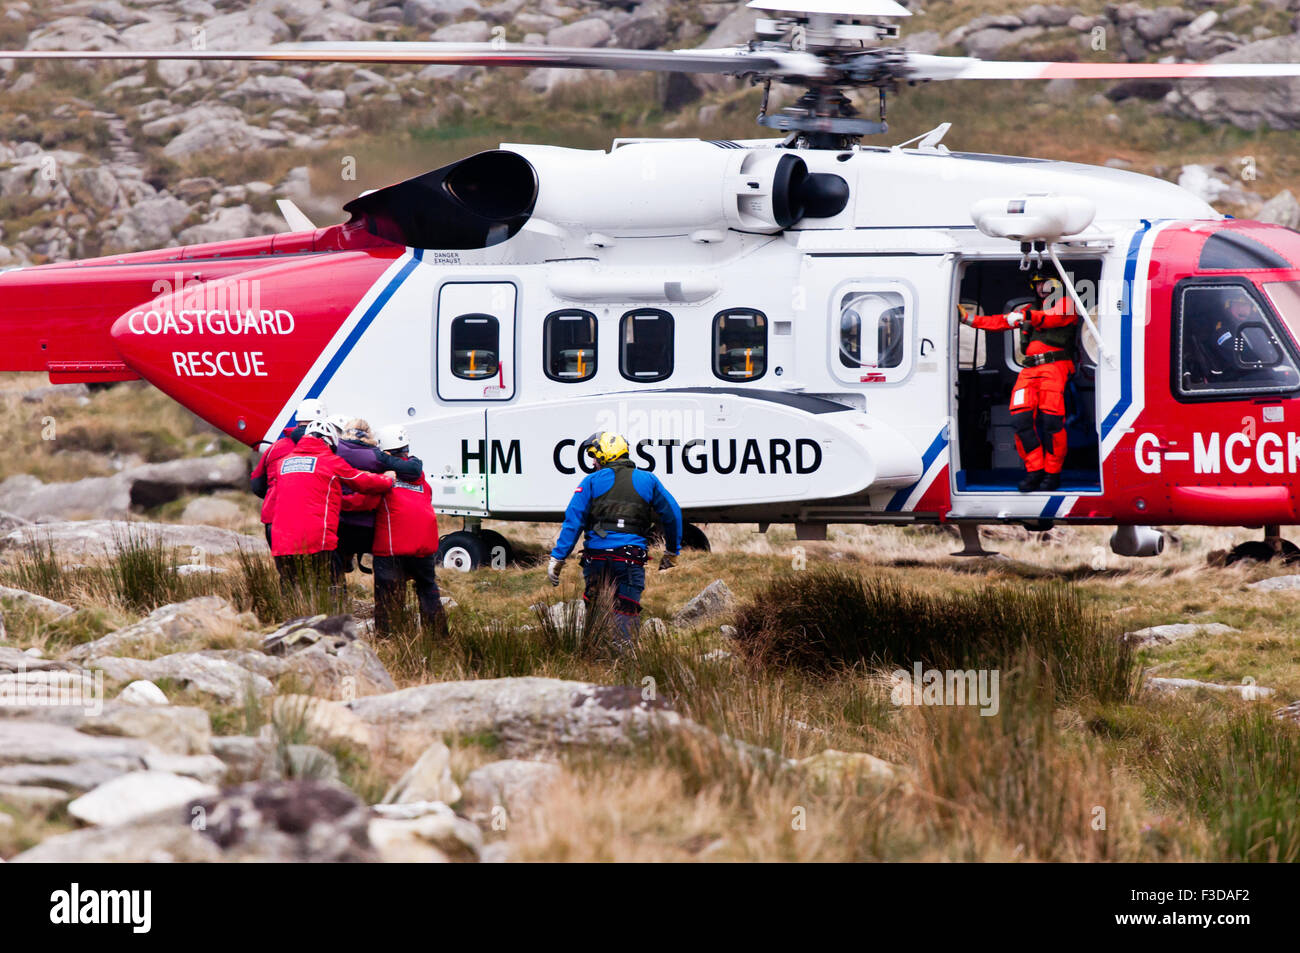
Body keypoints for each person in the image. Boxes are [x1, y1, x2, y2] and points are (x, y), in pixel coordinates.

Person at [547, 431, 683, 647]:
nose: (593, 462)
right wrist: (672, 552)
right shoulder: (648, 480)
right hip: (629, 560)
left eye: (594, 456)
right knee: (625, 614)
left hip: (595, 561)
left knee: (596, 614)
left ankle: (593, 661)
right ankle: (624, 664)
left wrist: (557, 559)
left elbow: (573, 522)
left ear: (605, 455)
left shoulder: (590, 481)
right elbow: (673, 514)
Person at [959, 269, 1079, 492]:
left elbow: (1051, 319)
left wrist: (1025, 317)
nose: (1041, 288)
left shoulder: (1066, 304)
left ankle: (1052, 475)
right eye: (1037, 284)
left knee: (1053, 423)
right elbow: (999, 322)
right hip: (1029, 369)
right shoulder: (1029, 310)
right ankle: (1035, 472)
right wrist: (968, 319)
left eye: (1046, 284)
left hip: (1054, 368)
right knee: (1020, 420)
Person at [268, 418, 395, 605]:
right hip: (317, 541)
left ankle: (292, 627)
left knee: (291, 593)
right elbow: (361, 480)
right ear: (330, 441)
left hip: (282, 542)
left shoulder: (283, 463)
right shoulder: (329, 461)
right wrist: (388, 479)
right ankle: (333, 629)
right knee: (332, 591)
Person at [366, 424, 447, 639]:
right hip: (424, 545)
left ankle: (388, 639)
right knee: (428, 590)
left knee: (388, 597)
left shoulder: (383, 475)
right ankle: (438, 638)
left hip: (392, 547)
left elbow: (367, 502)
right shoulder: (419, 476)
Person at [331, 416, 425, 575]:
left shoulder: (334, 451)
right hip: (367, 527)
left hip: (340, 523)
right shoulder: (376, 456)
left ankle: (337, 594)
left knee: (334, 570)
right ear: (370, 435)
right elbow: (413, 470)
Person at [251, 397, 328, 547]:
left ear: (297, 421)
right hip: (313, 521)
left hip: (274, 520)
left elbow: (257, 484)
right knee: (319, 568)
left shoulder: (275, 448)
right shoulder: (327, 449)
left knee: (287, 568)